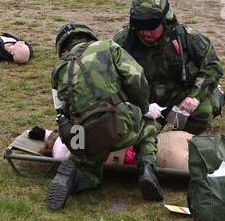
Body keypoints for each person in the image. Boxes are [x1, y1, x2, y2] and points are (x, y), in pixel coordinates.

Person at [47, 22, 163, 209]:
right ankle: (147, 169)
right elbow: (136, 77)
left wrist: (76, 147)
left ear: (62, 47)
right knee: (150, 128)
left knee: (89, 170)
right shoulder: (108, 47)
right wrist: (142, 107)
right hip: (120, 123)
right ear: (89, 36)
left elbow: (61, 114)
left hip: (85, 136)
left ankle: (73, 178)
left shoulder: (58, 70)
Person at [111, 0, 224, 134]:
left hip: (180, 97)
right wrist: (136, 106)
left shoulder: (186, 37)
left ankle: (186, 140)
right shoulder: (123, 42)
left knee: (202, 112)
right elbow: (108, 78)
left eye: (151, 26)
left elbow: (212, 66)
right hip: (146, 102)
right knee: (133, 134)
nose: (145, 32)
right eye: (140, 25)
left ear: (165, 21)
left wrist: (194, 97)